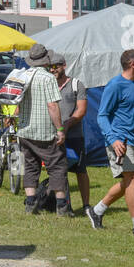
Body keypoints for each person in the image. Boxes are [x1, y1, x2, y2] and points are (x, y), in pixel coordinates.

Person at [90, 48, 134, 235]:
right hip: (120, 140)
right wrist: (113, 140)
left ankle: (97, 211)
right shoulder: (115, 85)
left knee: (127, 181)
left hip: (133, 139)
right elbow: (102, 116)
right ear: (133, 64)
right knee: (133, 180)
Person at [16, 44, 72, 217]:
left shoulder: (23, 76)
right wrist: (60, 129)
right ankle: (62, 207)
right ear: (46, 60)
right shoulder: (48, 78)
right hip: (45, 132)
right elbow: (52, 105)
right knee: (57, 167)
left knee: (31, 166)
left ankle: (30, 203)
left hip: (25, 130)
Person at [51, 54, 91, 214]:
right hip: (54, 136)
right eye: (51, 66)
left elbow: (81, 110)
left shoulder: (76, 84)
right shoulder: (48, 85)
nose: (53, 69)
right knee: (60, 172)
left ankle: (86, 205)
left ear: (64, 65)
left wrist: (67, 124)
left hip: (74, 135)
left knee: (80, 171)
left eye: (56, 66)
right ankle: (65, 205)